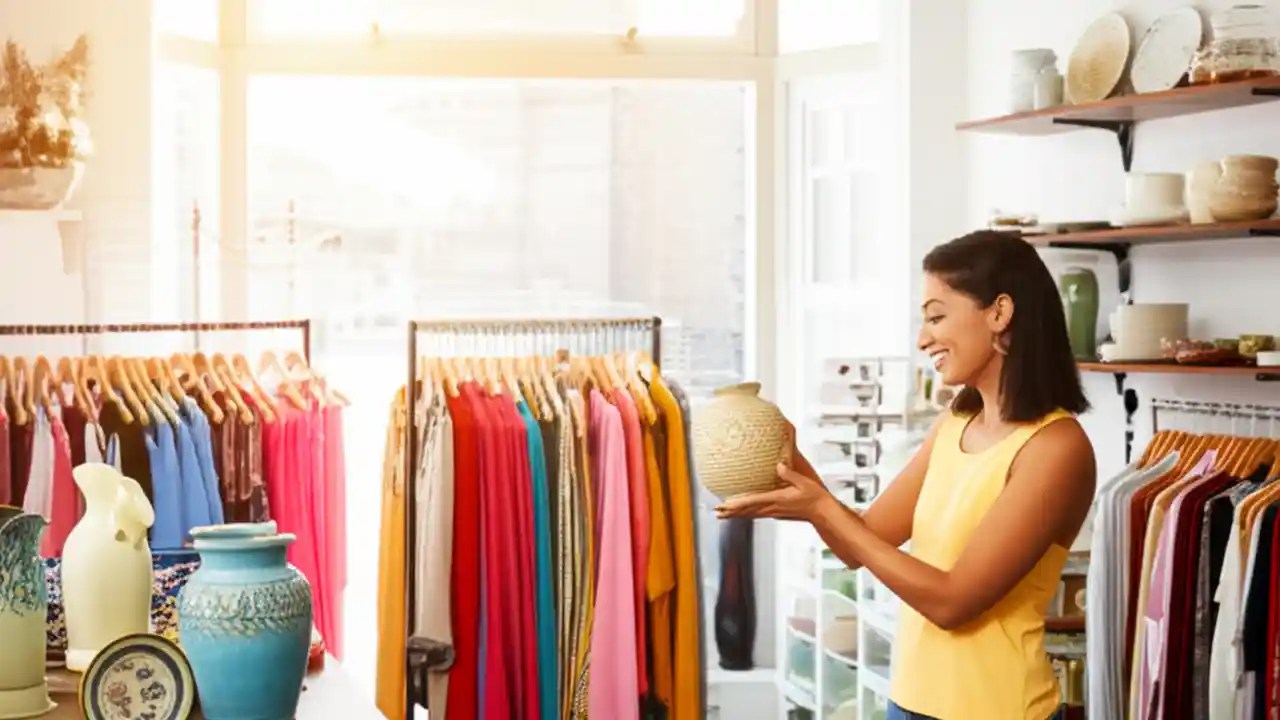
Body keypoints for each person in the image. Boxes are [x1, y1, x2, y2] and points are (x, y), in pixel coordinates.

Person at [718, 231, 1095, 720]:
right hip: (910, 701)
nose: (923, 339)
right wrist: (789, 465)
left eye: (937, 317)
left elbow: (953, 602)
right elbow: (864, 541)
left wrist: (819, 507)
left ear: (999, 313)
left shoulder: (1056, 449)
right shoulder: (955, 423)